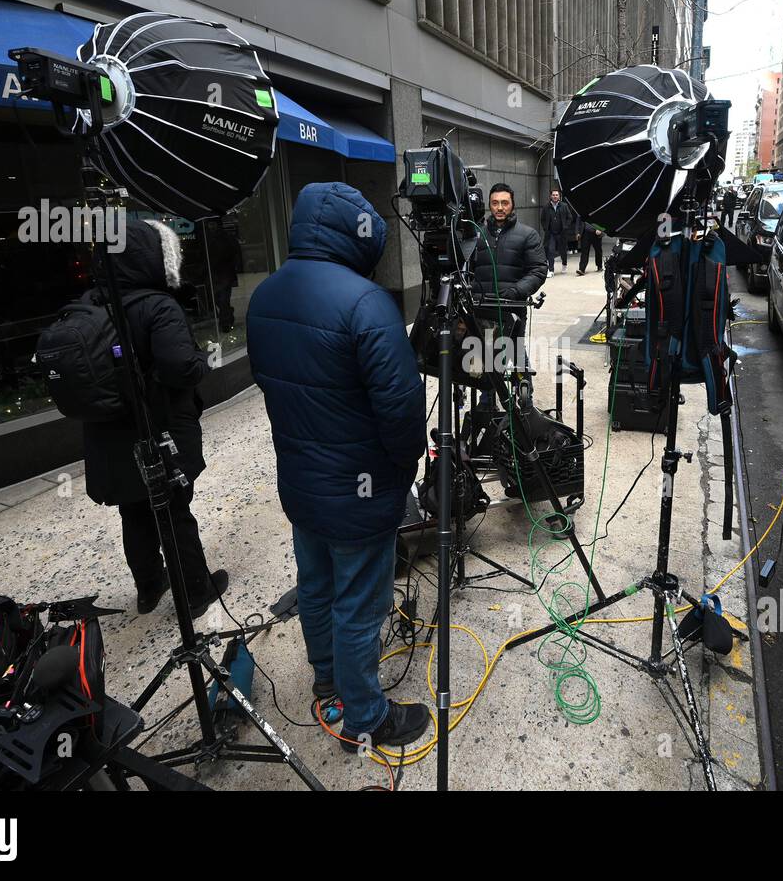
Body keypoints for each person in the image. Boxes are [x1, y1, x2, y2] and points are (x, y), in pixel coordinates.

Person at [247, 181, 429, 754]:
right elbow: (401, 410)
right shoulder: (366, 302)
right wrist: (403, 472)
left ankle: (327, 679)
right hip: (360, 490)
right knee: (360, 604)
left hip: (301, 484)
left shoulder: (265, 295)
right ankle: (366, 718)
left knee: (317, 585)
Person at [82, 218, 227, 618]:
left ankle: (149, 587)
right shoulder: (155, 305)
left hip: (110, 435)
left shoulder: (92, 303)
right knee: (173, 508)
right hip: (158, 427)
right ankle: (196, 589)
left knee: (133, 508)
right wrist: (201, 361)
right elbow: (180, 366)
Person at [473, 182, 547, 378]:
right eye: (495, 203)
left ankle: (525, 398)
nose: (499, 207)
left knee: (516, 353)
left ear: (512, 204)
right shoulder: (476, 234)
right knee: (486, 357)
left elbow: (539, 270)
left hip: (512, 308)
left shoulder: (528, 234)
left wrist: (516, 291)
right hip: (482, 308)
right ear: (489, 205)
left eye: (504, 203)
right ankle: (488, 401)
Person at [539, 188, 573, 275]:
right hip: (551, 233)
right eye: (553, 195)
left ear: (559, 196)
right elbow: (542, 219)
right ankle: (551, 270)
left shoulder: (564, 206)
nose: (555, 196)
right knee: (550, 251)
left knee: (563, 251)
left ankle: (564, 264)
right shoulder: (546, 207)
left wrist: (565, 226)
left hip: (561, 233)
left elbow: (570, 218)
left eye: (556, 195)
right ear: (550, 196)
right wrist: (545, 228)